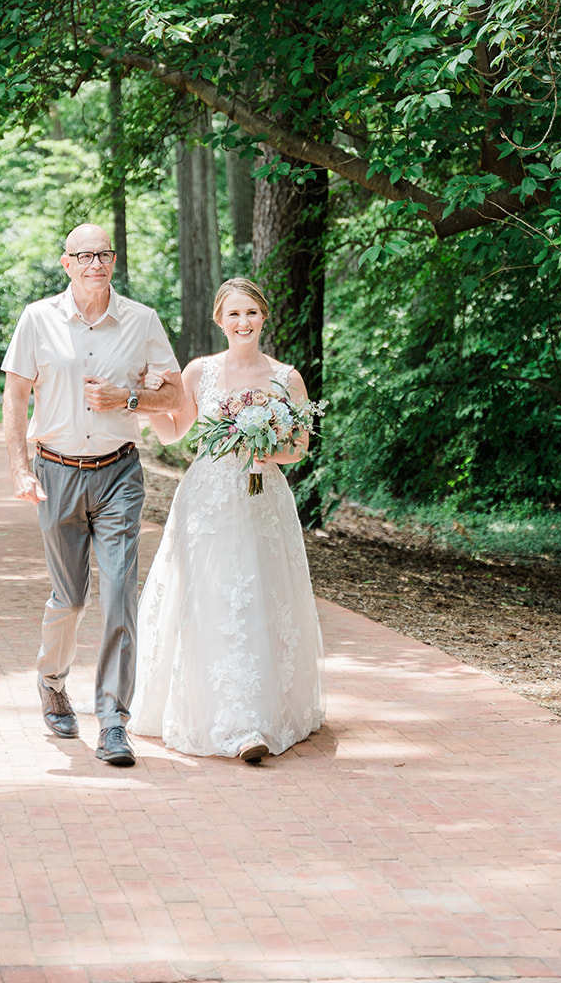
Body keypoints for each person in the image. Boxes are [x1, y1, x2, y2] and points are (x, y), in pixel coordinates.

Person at [2, 223, 183, 767]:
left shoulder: (141, 320)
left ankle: (112, 720)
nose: (94, 263)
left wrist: (128, 398)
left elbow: (175, 393)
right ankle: (53, 681)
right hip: (55, 471)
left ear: (113, 260)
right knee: (71, 596)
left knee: (120, 592)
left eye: (103, 254)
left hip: (119, 474)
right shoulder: (37, 318)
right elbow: (15, 396)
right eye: (84, 255)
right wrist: (19, 469)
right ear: (66, 263)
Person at [131, 277, 324, 764]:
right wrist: (148, 401)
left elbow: (299, 448)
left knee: (259, 597)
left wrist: (262, 447)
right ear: (219, 320)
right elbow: (175, 432)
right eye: (233, 314)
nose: (243, 323)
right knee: (211, 595)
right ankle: (220, 716)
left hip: (263, 499)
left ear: (264, 317)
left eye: (252, 313)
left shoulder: (288, 377)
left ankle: (257, 719)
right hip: (208, 501)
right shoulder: (199, 372)